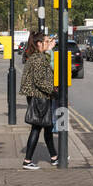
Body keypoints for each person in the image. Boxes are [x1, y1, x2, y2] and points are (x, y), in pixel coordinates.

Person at [19, 33, 59, 169]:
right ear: (39, 44)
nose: (48, 44)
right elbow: (39, 80)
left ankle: (54, 157)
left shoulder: (38, 56)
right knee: (36, 128)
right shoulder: (38, 59)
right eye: (46, 41)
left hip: (39, 96)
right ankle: (27, 160)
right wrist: (53, 91)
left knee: (47, 127)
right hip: (39, 97)